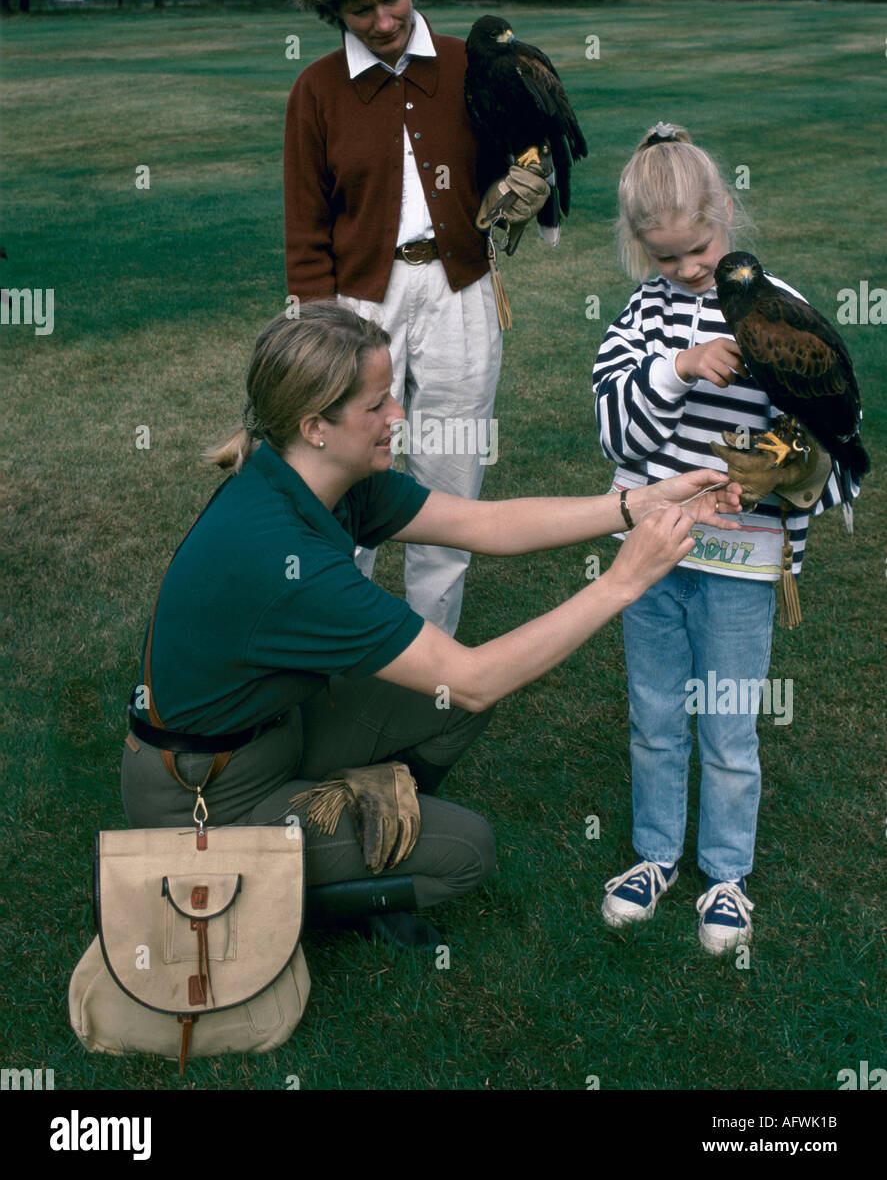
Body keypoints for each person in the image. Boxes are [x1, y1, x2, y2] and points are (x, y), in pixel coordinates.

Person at [122, 301, 740, 950]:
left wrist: (633, 503)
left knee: (443, 704)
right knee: (465, 850)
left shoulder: (319, 475)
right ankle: (279, 894)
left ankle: (357, 836)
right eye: (376, 406)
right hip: (206, 801)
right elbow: (472, 678)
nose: (399, 416)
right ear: (316, 426)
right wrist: (623, 580)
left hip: (274, 733)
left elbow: (484, 526)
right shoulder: (283, 558)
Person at [592, 122, 851, 954]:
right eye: (665, 257)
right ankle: (655, 856)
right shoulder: (639, 317)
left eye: (698, 248)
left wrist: (789, 471)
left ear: (725, 217)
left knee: (728, 723)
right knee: (655, 713)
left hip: (742, 558)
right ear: (639, 250)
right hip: (652, 554)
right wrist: (676, 368)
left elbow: (830, 446)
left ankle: (726, 872)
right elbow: (616, 437)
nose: (688, 269)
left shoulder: (781, 311)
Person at [284, 0, 546, 638]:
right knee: (347, 493)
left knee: (448, 490)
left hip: (460, 295)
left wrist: (528, 182)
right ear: (331, 7)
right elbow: (304, 231)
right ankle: (351, 657)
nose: (382, 21)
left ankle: (428, 672)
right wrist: (315, 333)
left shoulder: (473, 63)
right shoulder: (316, 90)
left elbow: (523, 159)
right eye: (358, 9)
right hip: (354, 308)